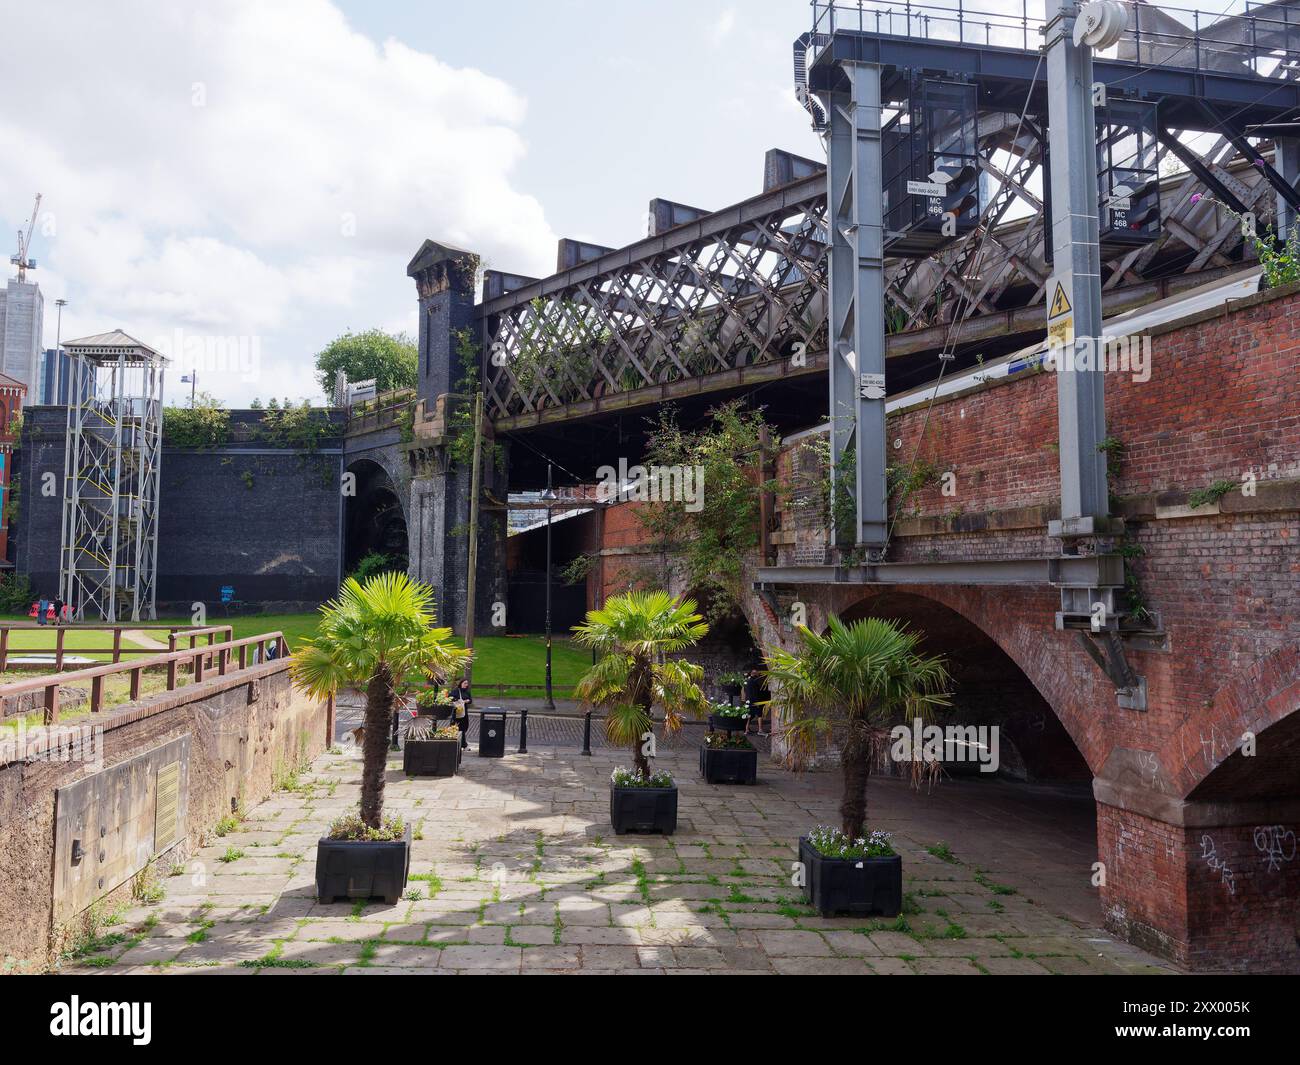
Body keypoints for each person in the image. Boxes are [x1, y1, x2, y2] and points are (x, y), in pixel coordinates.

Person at [743, 667, 770, 737]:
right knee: (759, 715)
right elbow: (755, 693)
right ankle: (760, 730)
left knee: (749, 715)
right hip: (754, 701)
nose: (758, 673)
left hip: (748, 701)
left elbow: (746, 692)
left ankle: (746, 730)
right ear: (753, 673)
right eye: (757, 672)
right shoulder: (754, 681)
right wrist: (758, 702)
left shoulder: (747, 681)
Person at [453, 678, 473, 749]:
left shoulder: (467, 692)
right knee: (456, 728)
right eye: (464, 683)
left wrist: (467, 701)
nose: (466, 685)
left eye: (467, 683)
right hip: (457, 713)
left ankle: (463, 744)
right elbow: (450, 697)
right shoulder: (456, 691)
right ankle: (456, 744)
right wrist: (458, 700)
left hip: (464, 712)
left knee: (464, 728)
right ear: (461, 683)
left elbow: (470, 700)